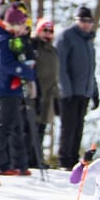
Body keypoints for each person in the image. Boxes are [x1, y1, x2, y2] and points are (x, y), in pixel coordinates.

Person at [0, 6, 36, 175]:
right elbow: (5, 64)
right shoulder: (1, 40)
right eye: (22, 24)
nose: (23, 29)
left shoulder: (6, 38)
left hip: (10, 89)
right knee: (4, 125)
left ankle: (18, 163)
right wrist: (26, 71)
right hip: (4, 88)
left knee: (16, 126)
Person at [56, 5, 99, 171]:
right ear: (76, 20)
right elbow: (61, 66)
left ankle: (73, 159)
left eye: (89, 21)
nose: (86, 24)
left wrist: (94, 91)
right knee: (68, 126)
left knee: (78, 127)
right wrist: (65, 90)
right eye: (83, 20)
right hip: (69, 91)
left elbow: (91, 69)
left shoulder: (88, 41)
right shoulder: (66, 36)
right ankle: (64, 159)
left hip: (84, 91)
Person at [31, 19, 58, 168]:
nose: (47, 34)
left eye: (50, 31)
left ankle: (38, 157)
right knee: (32, 125)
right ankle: (31, 157)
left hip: (49, 93)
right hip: (36, 90)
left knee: (42, 126)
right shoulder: (34, 46)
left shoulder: (52, 50)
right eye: (45, 30)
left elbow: (56, 73)